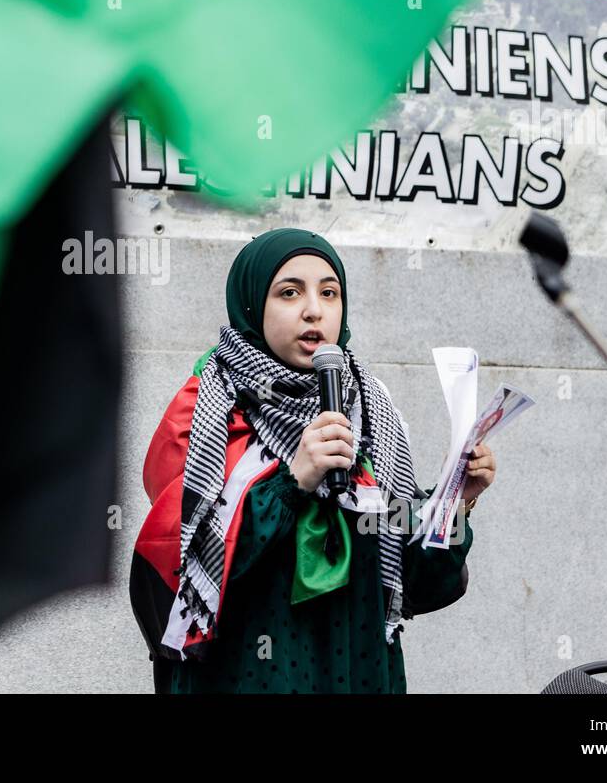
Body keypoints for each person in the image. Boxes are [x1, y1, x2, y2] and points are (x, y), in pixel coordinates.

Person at [128, 228, 497, 693]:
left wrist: (454, 500)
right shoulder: (207, 412)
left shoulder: (371, 414)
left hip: (357, 672)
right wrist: (294, 479)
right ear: (250, 305)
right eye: (289, 293)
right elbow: (188, 570)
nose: (313, 310)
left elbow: (416, 585)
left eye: (329, 292)